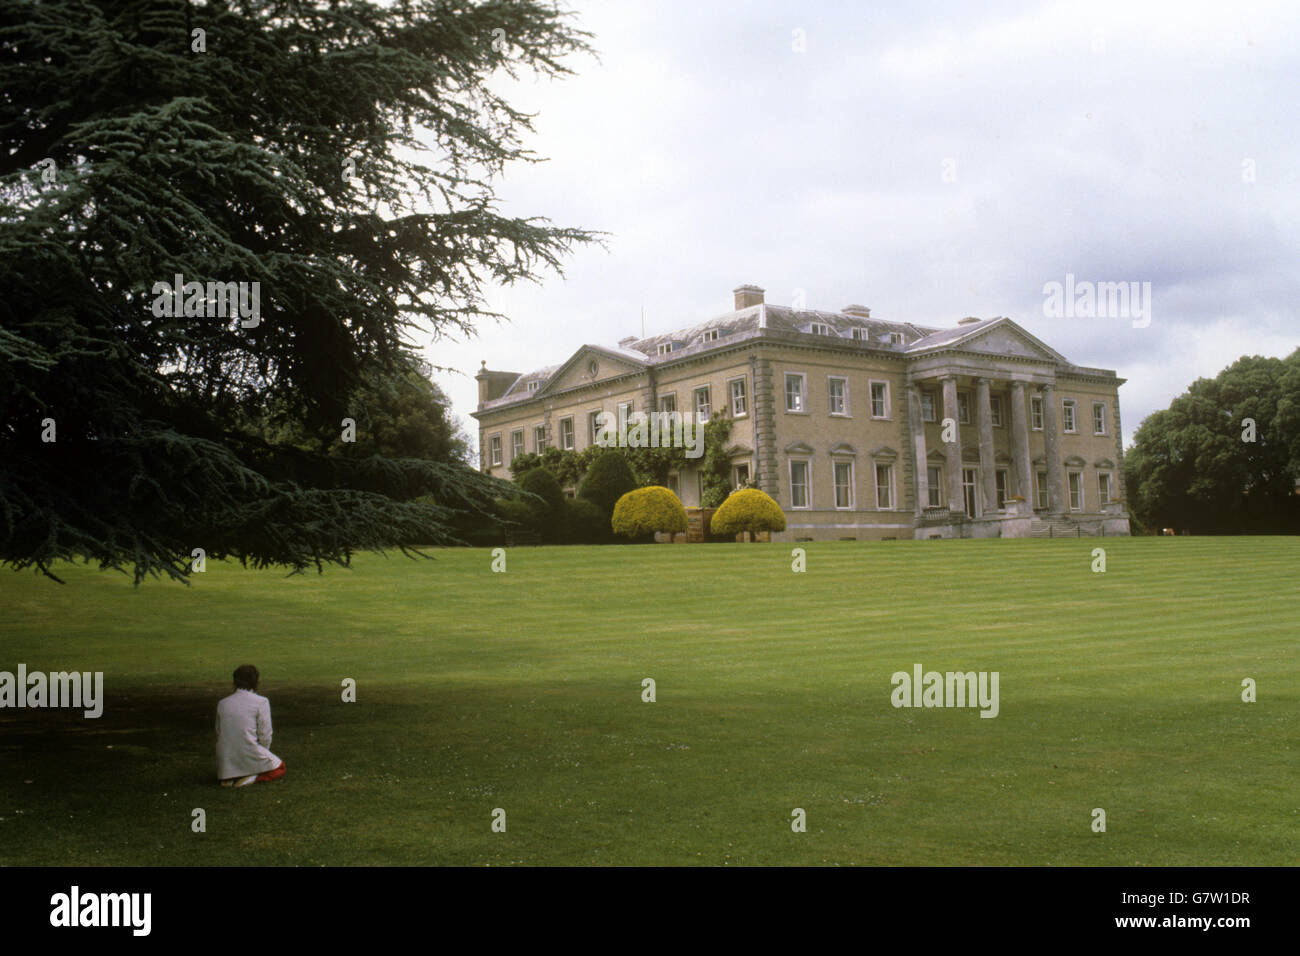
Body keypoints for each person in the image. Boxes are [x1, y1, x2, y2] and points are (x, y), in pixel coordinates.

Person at [216, 665, 286, 787]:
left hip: (225, 758)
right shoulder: (261, 702)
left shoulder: (222, 703)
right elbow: (265, 734)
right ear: (256, 682)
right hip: (248, 750)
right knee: (280, 767)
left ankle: (231, 777)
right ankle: (250, 779)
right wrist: (263, 753)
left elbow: (218, 731)